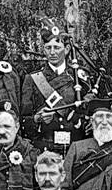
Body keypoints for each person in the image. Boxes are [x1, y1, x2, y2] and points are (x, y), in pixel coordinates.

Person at [19, 18, 90, 156]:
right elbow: (23, 121)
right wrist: (37, 119)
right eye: (48, 48)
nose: (52, 52)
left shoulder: (79, 76)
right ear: (44, 50)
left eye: (57, 48)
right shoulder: (32, 79)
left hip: (75, 149)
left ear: (67, 49)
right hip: (43, 149)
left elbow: (88, 113)